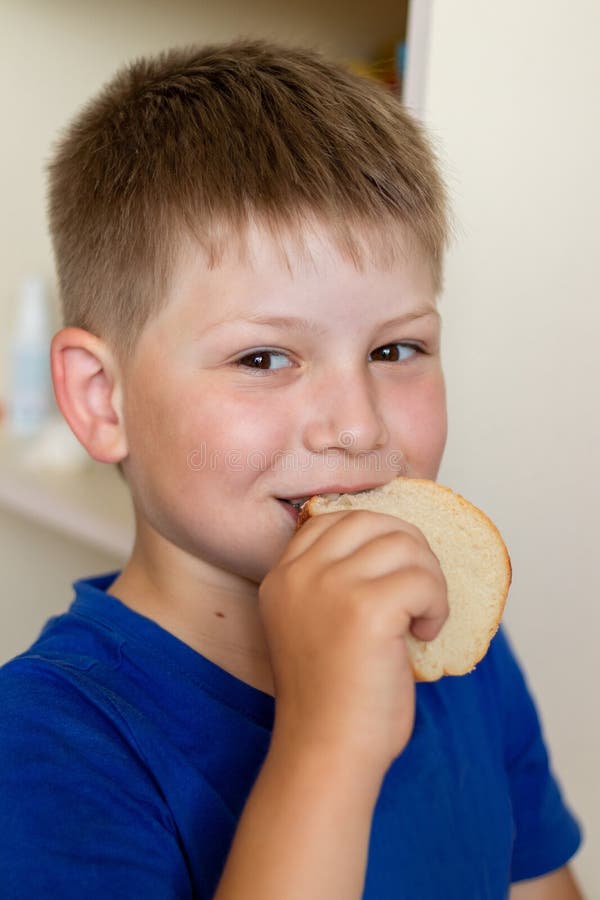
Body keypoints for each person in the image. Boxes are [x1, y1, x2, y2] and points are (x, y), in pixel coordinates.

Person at [0, 40, 583, 899]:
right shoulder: (49, 746)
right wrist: (330, 739)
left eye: (396, 348)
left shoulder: (462, 650)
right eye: (266, 358)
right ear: (102, 399)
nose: (357, 425)